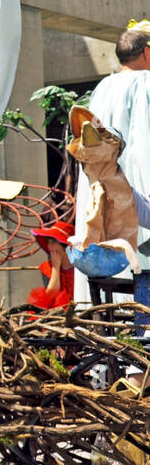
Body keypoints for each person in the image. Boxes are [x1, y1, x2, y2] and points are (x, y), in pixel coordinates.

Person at [73, 26, 150, 305]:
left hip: (105, 188)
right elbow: (145, 142)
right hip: (135, 191)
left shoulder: (103, 87)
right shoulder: (146, 83)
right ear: (146, 52)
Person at [29, 221, 75, 309]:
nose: (49, 246)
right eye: (48, 242)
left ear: (65, 245)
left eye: (53, 242)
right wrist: (56, 268)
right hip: (57, 312)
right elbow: (51, 294)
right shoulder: (47, 267)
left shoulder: (80, 266)